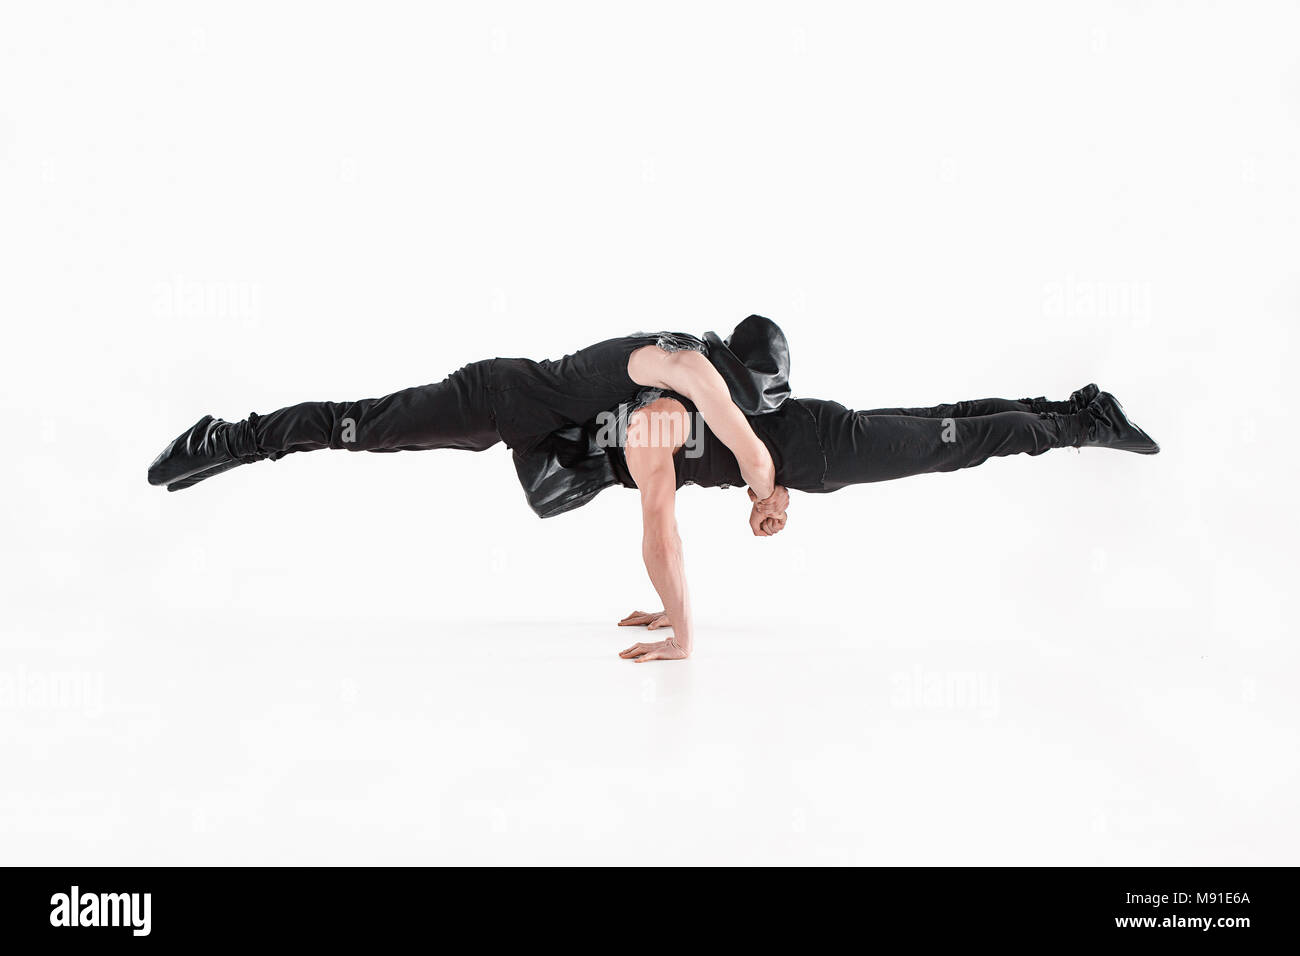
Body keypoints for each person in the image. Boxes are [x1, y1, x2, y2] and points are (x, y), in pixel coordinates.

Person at [147, 315, 1159, 662]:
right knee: (357, 426)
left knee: (942, 435)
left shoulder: (679, 393)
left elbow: (729, 451)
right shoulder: (630, 427)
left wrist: (768, 486)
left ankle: (1073, 414)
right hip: (517, 395)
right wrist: (690, 605)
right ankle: (231, 436)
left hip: (810, 446)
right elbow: (663, 526)